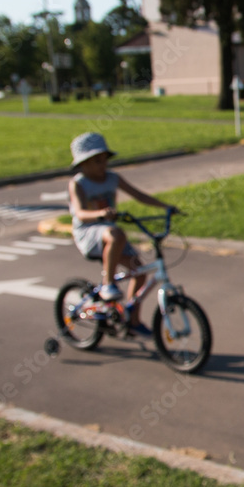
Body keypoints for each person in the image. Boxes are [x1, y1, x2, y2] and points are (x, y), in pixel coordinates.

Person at [67, 132, 175, 335]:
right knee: (116, 234)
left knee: (139, 271)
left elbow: (139, 195)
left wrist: (166, 207)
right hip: (89, 232)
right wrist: (101, 213)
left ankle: (131, 321)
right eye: (96, 161)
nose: (102, 165)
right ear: (83, 164)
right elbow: (80, 213)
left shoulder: (112, 178)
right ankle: (108, 284)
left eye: (104, 160)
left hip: (110, 232)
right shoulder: (78, 184)